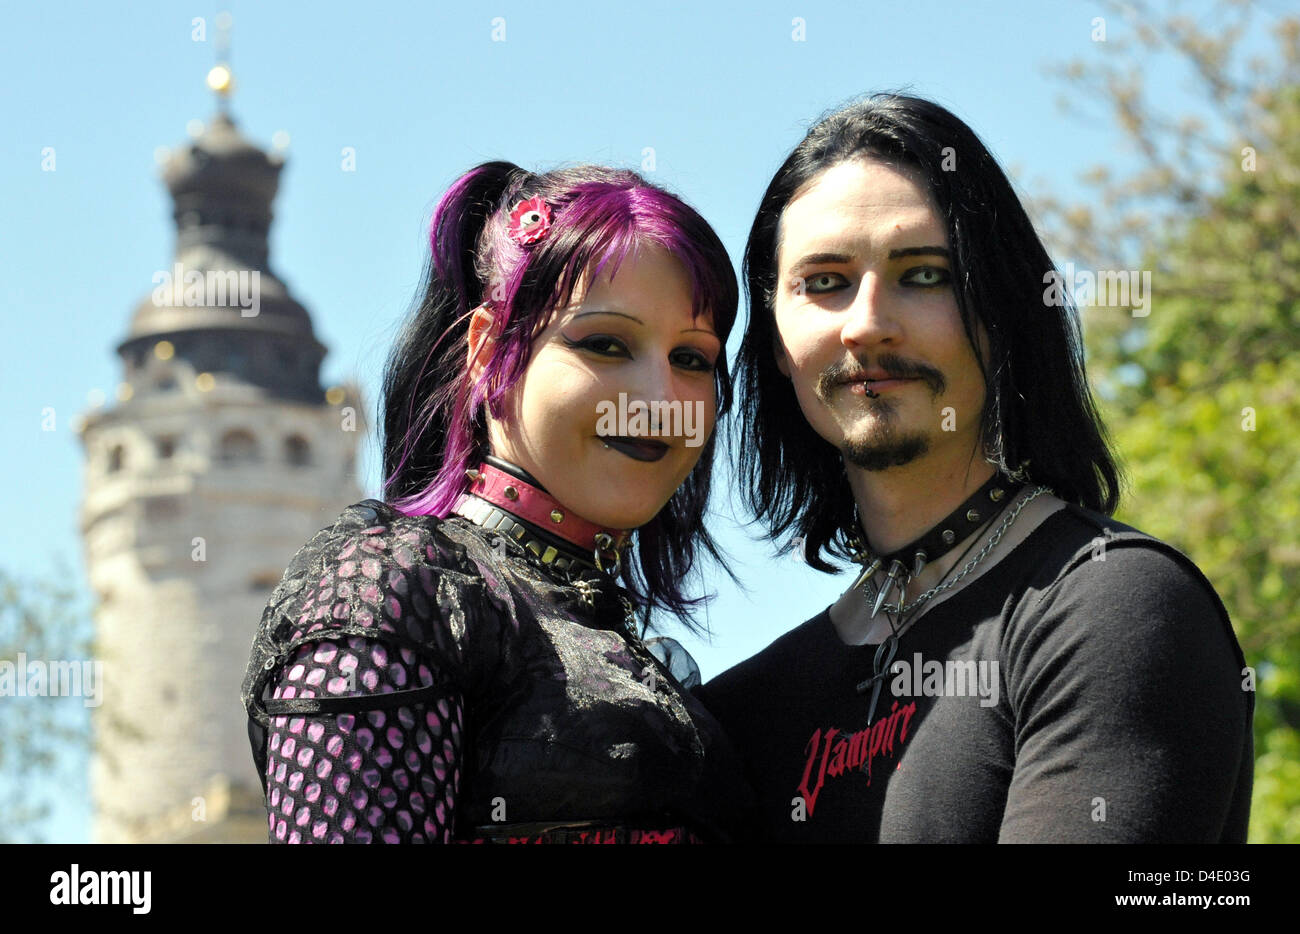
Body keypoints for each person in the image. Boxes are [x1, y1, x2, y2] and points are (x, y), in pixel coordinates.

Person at [697, 94, 1253, 843]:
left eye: (923, 275)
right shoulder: (742, 711)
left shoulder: (1113, 609)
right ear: (775, 340)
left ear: (1002, 309)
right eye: (823, 282)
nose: (866, 322)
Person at [241, 161, 751, 843]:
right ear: (487, 351)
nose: (658, 402)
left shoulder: (611, 631)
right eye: (605, 344)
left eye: (692, 358)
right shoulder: (389, 590)